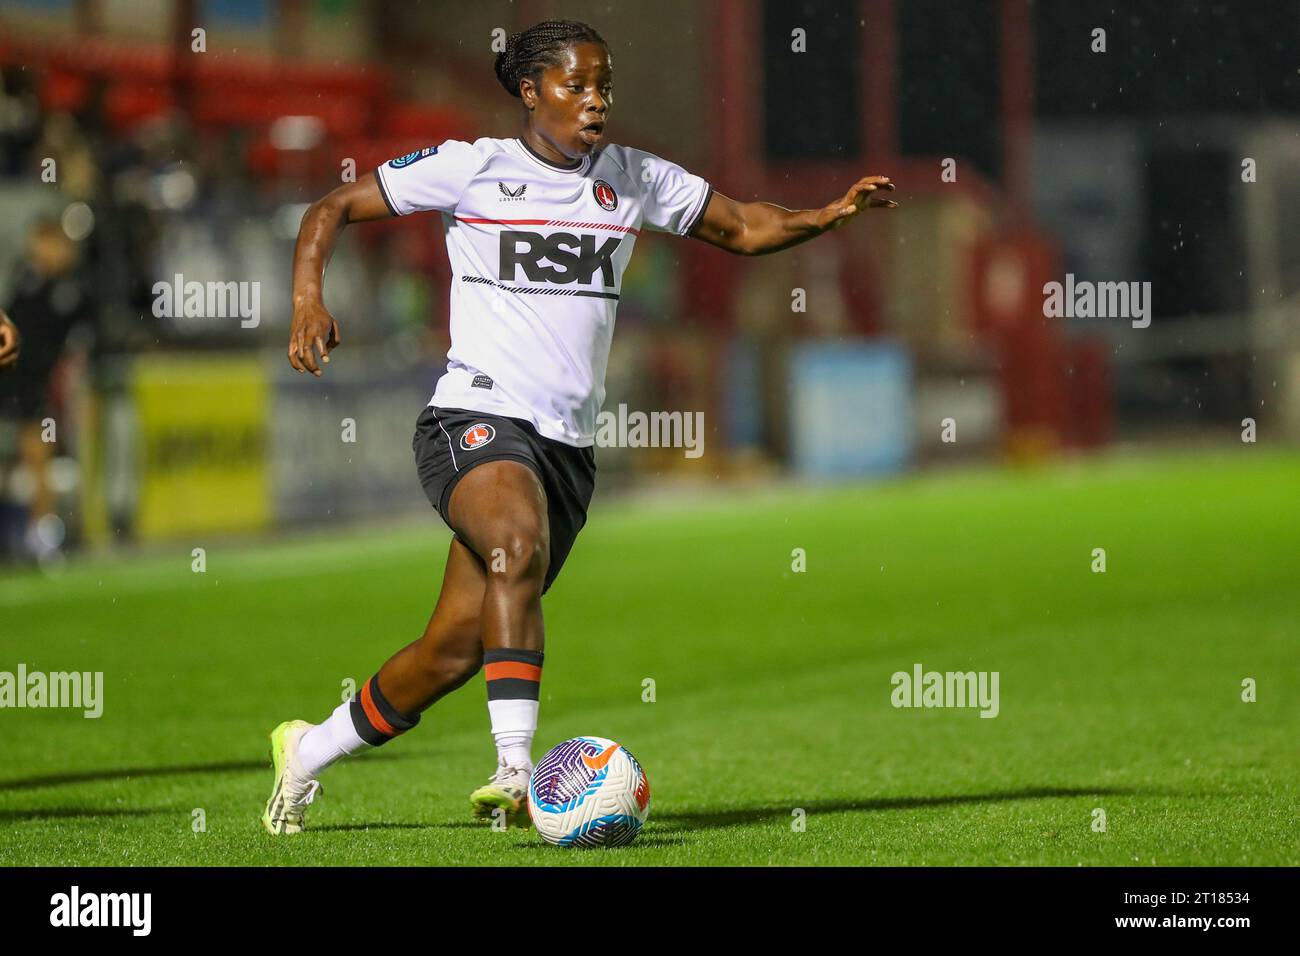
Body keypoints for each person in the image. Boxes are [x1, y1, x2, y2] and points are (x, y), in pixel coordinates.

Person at [264, 19, 896, 835]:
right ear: (530, 93)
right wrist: (309, 297)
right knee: (515, 547)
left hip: (565, 448)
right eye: (576, 86)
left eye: (604, 86)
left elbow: (742, 227)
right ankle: (517, 772)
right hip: (475, 416)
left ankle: (306, 750)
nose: (595, 101)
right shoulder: (474, 169)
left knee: (454, 649)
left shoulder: (633, 178)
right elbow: (331, 206)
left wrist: (828, 213)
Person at [0, 220, 94, 564]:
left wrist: (77, 391)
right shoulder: (26, 281)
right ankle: (20, 531)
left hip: (43, 388)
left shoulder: (72, 291)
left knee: (38, 457)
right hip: (10, 380)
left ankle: (42, 535)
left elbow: (80, 348)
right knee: (17, 461)